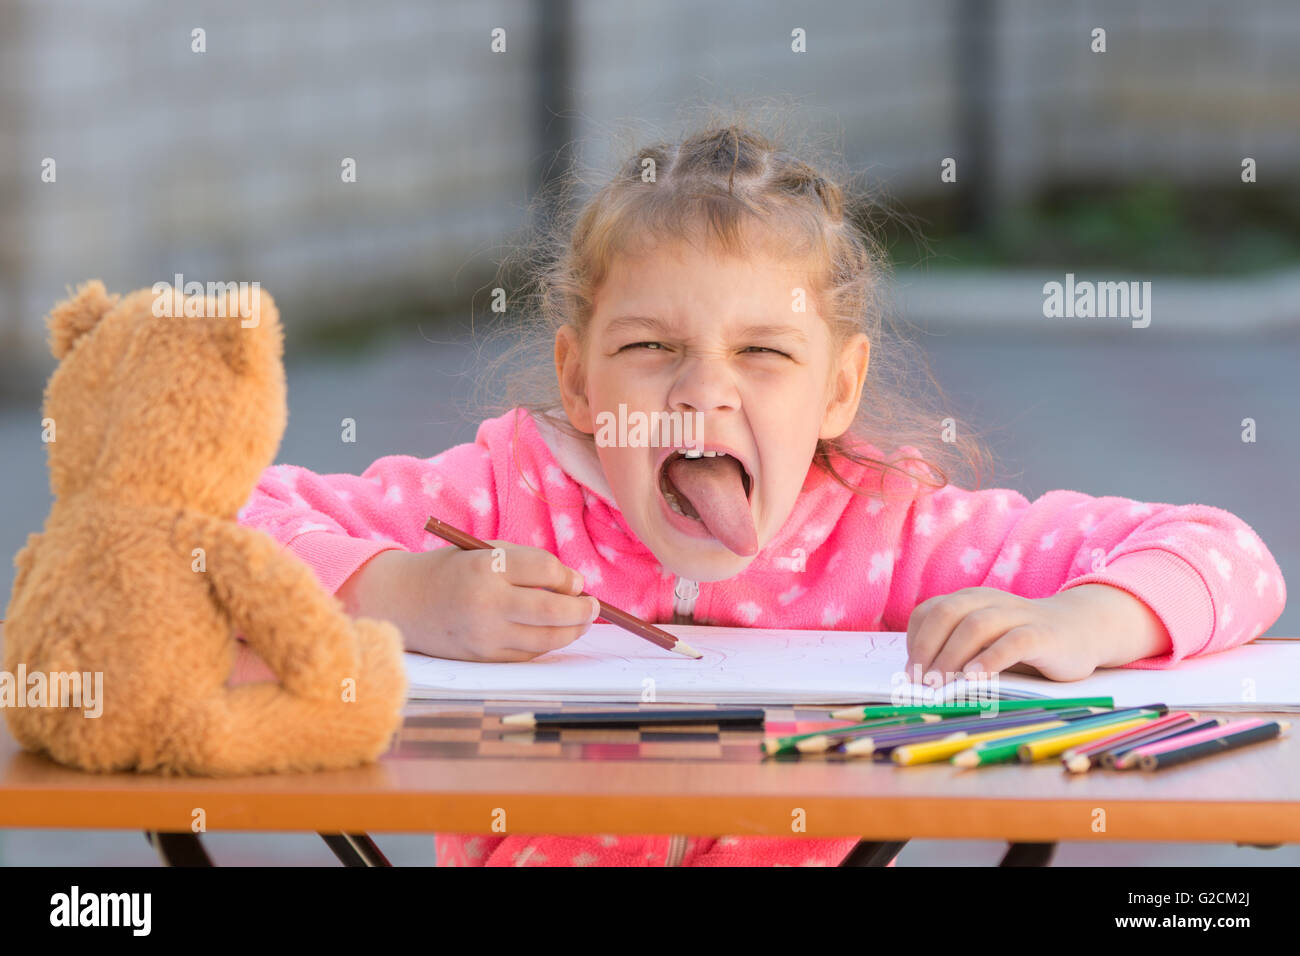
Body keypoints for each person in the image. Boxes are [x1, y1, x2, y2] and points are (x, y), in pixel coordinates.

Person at [234, 121, 1286, 866]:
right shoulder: (507, 495)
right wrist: (402, 589)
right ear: (577, 379)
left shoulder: (887, 529)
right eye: (649, 347)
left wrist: (1084, 618)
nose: (703, 389)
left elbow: (1229, 553)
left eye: (763, 352)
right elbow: (226, 523)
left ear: (838, 389)